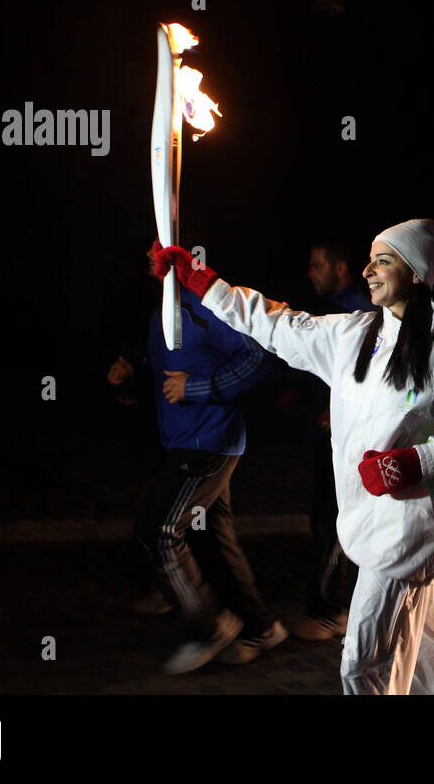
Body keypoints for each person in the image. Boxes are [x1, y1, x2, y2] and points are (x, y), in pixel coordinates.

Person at [154, 219, 434, 694]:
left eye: (382, 261)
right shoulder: (352, 336)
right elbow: (275, 322)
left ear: (415, 273)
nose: (367, 270)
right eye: (369, 259)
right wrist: (204, 282)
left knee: (362, 668)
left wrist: (417, 462)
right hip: (367, 527)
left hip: (407, 538)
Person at [119, 243, 285, 674]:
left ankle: (209, 627)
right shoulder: (161, 313)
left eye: (159, 257)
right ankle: (261, 626)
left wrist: (197, 387)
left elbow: (257, 360)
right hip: (184, 442)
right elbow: (164, 377)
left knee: (158, 531)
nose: (150, 267)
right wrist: (131, 382)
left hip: (209, 444)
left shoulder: (205, 306)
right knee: (213, 539)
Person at [293, 241, 374, 642]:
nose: (311, 273)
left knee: (331, 517)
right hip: (334, 433)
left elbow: (372, 367)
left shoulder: (356, 310)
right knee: (329, 514)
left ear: (342, 268)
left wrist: (344, 407)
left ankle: (329, 609)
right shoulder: (337, 309)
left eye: (317, 265)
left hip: (345, 435)